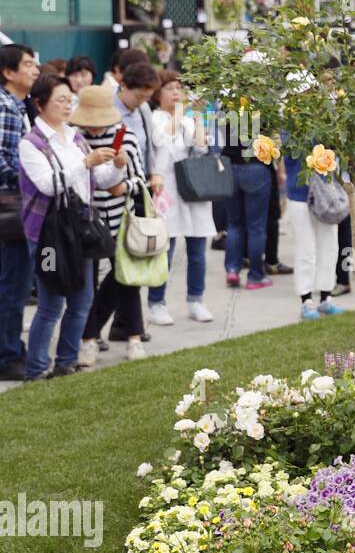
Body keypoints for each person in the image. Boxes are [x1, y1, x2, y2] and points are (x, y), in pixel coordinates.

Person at [18, 77, 124, 380]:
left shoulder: (75, 137)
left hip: (80, 232)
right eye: (60, 100)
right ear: (40, 104)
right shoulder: (32, 143)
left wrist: (115, 165)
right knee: (51, 303)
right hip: (47, 237)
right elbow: (48, 185)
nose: (67, 106)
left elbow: (97, 181)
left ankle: (66, 363)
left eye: (69, 100)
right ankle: (37, 369)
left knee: (82, 301)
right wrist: (86, 163)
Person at [79, 80, 152, 364]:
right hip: (86, 220)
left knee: (126, 277)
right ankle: (89, 338)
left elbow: (140, 181)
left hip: (120, 218)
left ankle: (132, 337)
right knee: (87, 283)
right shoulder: (76, 138)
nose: (95, 129)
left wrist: (123, 187)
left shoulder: (126, 137)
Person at [145, 70, 214, 326]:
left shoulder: (183, 118)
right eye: (170, 88)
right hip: (167, 191)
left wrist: (196, 117)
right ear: (157, 93)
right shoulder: (154, 117)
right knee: (165, 250)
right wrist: (181, 112)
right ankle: (157, 302)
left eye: (179, 88)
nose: (176, 93)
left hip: (192, 189)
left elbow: (200, 147)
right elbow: (162, 137)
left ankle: (196, 299)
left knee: (197, 250)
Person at [0, 43, 40, 380]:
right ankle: (8, 356)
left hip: (18, 204)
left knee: (15, 284)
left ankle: (12, 349)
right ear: (8, 72)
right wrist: (31, 176)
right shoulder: (6, 107)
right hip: (11, 207)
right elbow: (3, 160)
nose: (35, 69)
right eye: (28, 64)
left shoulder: (21, 106)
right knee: (13, 285)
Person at [282, 151, 343, 320]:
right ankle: (306, 299)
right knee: (305, 249)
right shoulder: (289, 127)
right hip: (298, 192)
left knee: (329, 245)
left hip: (326, 192)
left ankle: (326, 296)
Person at [221, 122, 272, 291]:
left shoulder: (228, 101)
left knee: (234, 223)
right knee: (256, 227)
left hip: (230, 165)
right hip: (256, 166)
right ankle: (255, 276)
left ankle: (233, 270)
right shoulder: (264, 104)